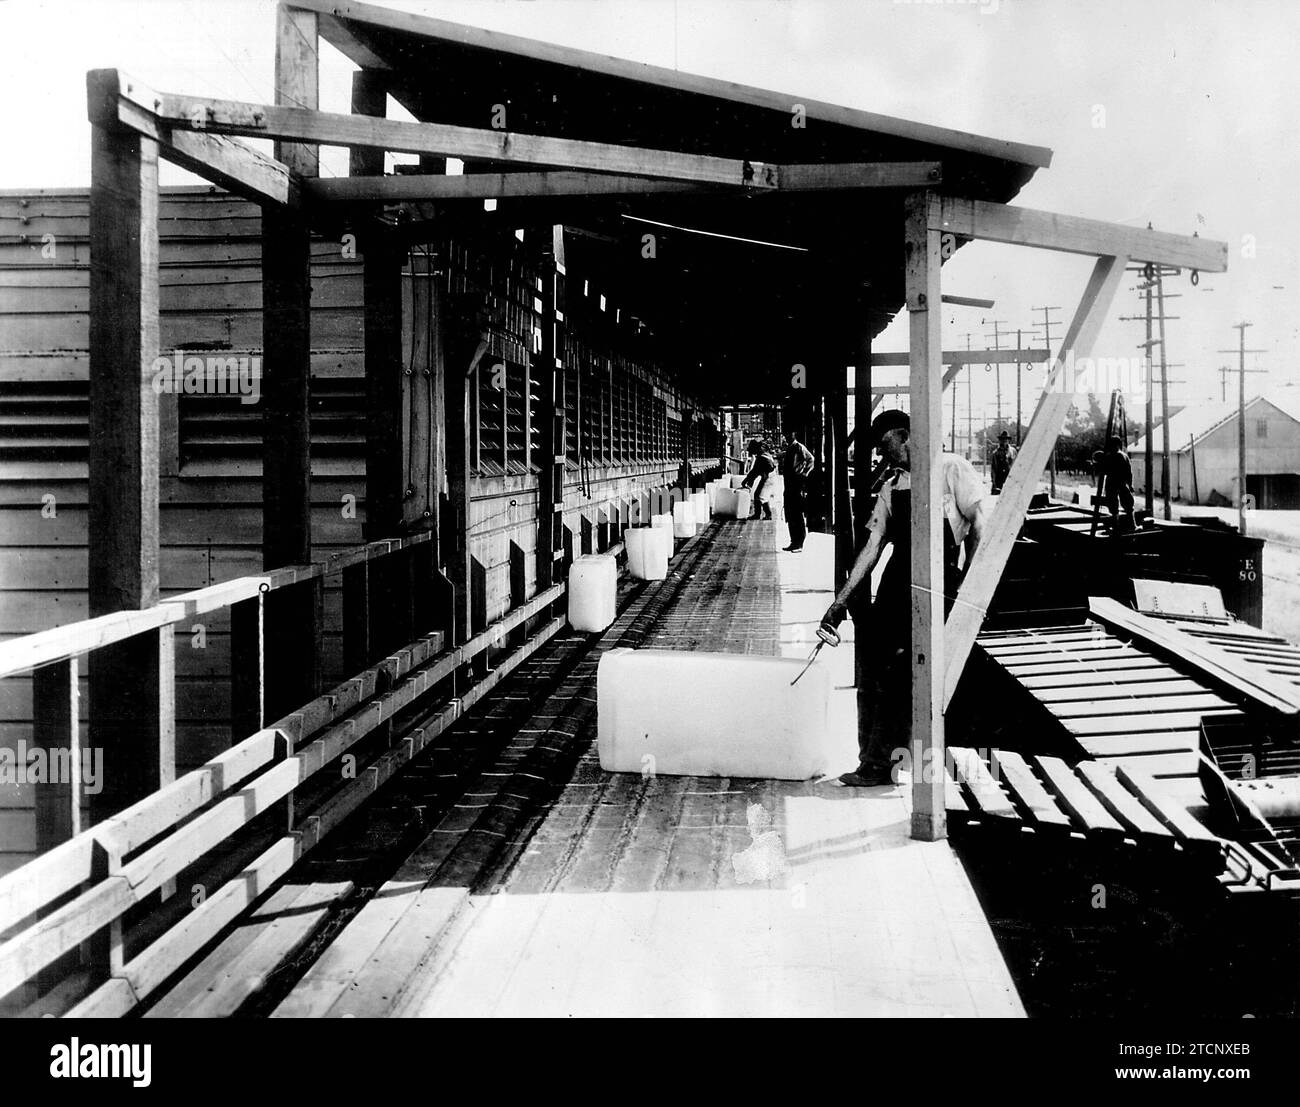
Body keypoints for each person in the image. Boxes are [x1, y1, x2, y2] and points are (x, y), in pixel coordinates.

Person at [819, 410, 990, 787]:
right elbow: (872, 547)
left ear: (905, 435)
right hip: (897, 585)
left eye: (885, 446)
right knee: (874, 667)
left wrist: (968, 588)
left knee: (905, 674)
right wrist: (840, 602)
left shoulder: (951, 469)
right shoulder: (891, 486)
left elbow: (980, 525)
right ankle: (873, 761)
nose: (883, 455)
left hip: (939, 584)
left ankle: (890, 763)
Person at [779, 428, 814, 552]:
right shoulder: (789, 448)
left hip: (796, 484)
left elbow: (811, 459)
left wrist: (805, 473)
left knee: (797, 514)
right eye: (785, 434)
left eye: (789, 434)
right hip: (789, 485)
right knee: (790, 514)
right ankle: (793, 542)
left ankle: (799, 543)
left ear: (794, 434)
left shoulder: (799, 447)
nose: (786, 436)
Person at [1097, 434, 1136, 532]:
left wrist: (1130, 485)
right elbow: (1128, 473)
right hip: (1116, 483)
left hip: (1117, 483)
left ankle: (1127, 526)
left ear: (1118, 445)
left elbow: (1128, 472)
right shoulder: (1116, 456)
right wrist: (1130, 484)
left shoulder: (1114, 456)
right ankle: (1120, 526)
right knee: (1117, 506)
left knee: (1125, 505)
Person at [740, 439, 775, 520]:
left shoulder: (761, 458)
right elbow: (755, 472)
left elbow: (754, 472)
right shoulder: (764, 453)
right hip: (768, 476)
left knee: (761, 496)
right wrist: (749, 483)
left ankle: (768, 514)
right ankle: (757, 514)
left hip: (768, 477)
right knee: (757, 494)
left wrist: (745, 481)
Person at [990, 430, 1017, 494]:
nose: (1004, 441)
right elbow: (993, 469)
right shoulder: (996, 453)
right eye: (1002, 439)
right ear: (1000, 440)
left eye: (1006, 439)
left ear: (1008, 440)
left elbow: (1016, 465)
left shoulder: (1013, 451)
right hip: (999, 480)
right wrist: (994, 482)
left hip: (1010, 478)